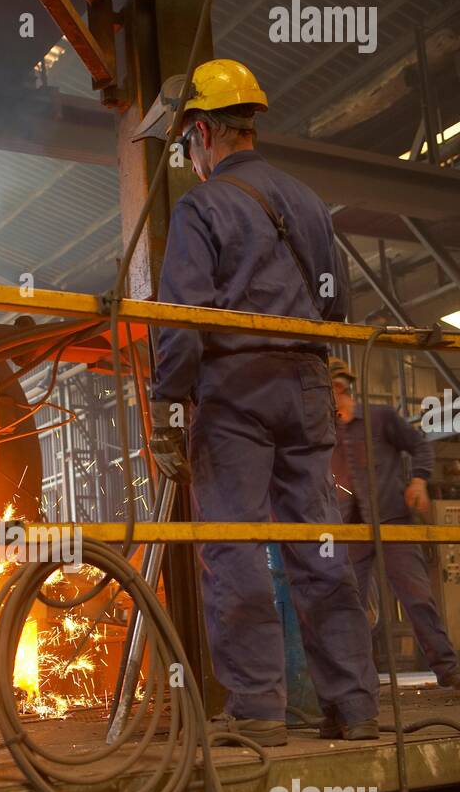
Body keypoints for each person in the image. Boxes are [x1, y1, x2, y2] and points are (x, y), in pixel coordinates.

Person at [134, 58, 379, 745]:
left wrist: (169, 408)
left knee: (234, 544)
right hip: (303, 386)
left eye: (186, 144)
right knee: (318, 545)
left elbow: (180, 319)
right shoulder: (307, 203)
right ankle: (354, 708)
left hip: (236, 393)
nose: (188, 157)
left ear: (206, 132)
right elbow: (336, 305)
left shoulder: (202, 206)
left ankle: (258, 711)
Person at [330, 357, 460, 688]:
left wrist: (418, 481)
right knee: (350, 605)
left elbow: (419, 447)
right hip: (353, 531)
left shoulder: (380, 418)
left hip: (392, 521)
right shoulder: (324, 431)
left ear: (338, 388)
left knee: (417, 598)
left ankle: (448, 669)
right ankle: (358, 683)